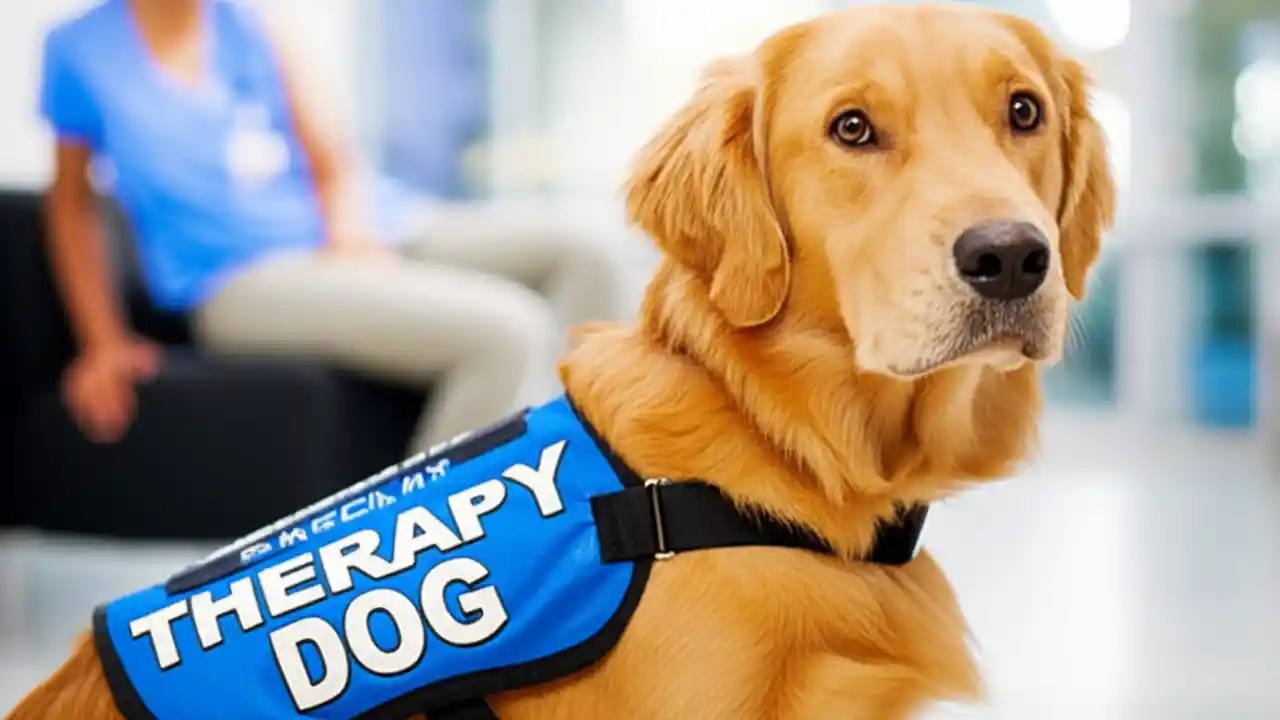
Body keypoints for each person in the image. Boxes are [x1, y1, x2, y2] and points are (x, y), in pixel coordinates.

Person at [39, 0, 626, 452]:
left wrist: (352, 236)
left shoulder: (248, 25)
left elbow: (332, 161)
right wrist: (102, 342)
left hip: (367, 226)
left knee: (589, 251)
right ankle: (428, 566)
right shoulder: (80, 51)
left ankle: (579, 488)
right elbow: (71, 207)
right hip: (242, 278)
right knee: (510, 330)